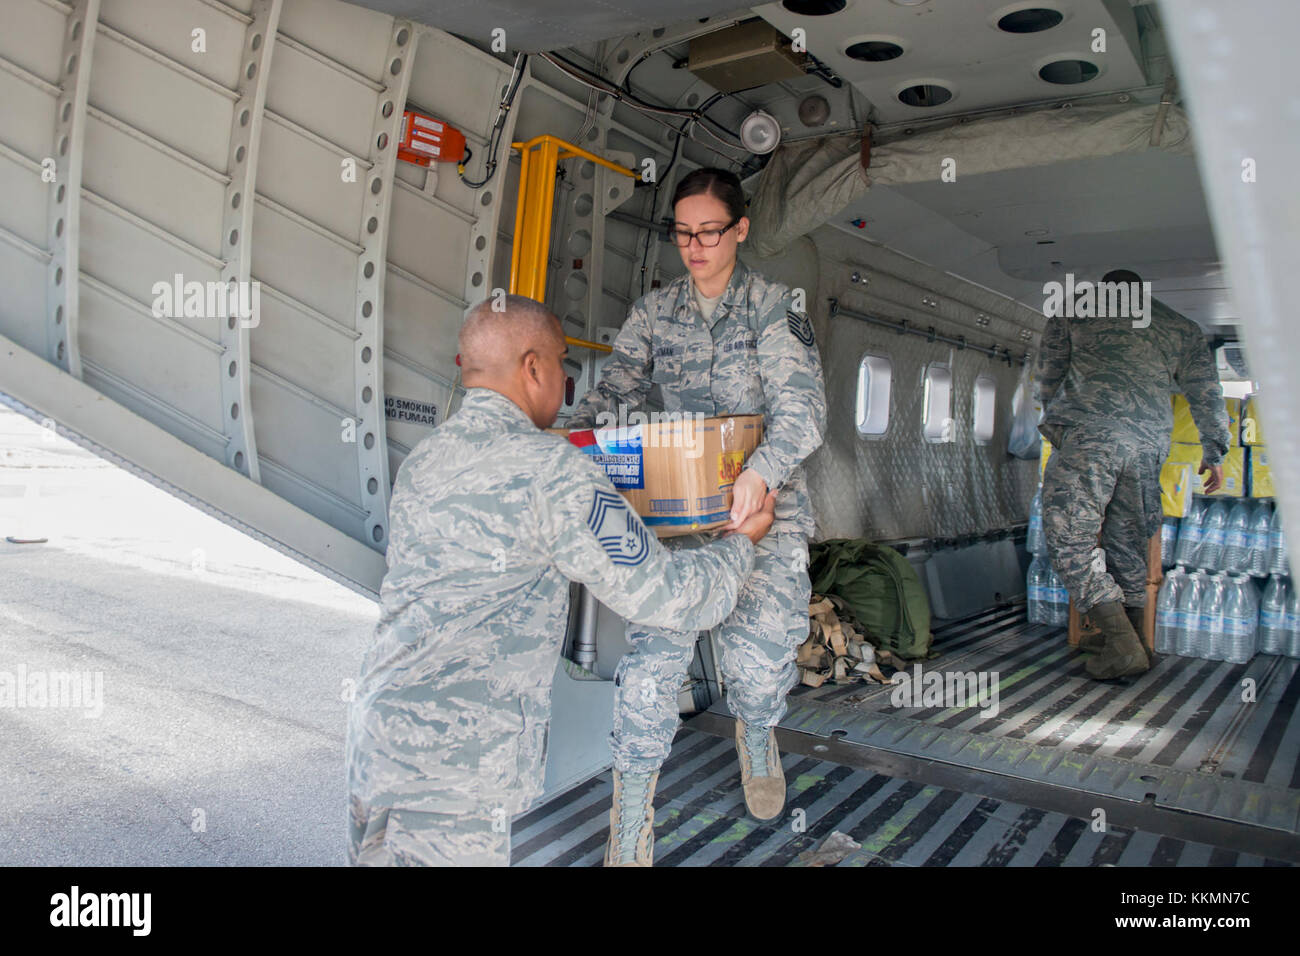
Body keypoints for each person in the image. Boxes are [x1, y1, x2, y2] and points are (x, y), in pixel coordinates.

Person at [344, 294, 775, 866]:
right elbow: (666, 596)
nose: (567, 382)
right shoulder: (552, 471)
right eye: (563, 363)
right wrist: (740, 544)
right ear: (532, 368)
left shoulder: (425, 461)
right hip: (455, 776)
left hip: (378, 744)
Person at [565, 167, 827, 865]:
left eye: (710, 231)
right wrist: (569, 438)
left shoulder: (774, 308)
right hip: (680, 513)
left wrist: (761, 474)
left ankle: (758, 731)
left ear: (739, 230)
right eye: (683, 233)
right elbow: (615, 389)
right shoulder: (656, 313)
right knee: (653, 663)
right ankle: (631, 811)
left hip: (764, 508)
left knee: (759, 660)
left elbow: (803, 412)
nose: (696, 246)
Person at [1036, 268, 1230, 680]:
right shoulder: (1180, 327)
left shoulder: (1072, 310)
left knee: (1068, 538)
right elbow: (1206, 391)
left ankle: (1122, 644)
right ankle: (1134, 641)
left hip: (1091, 435)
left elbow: (1050, 374)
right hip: (1149, 445)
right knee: (1128, 540)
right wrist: (1215, 451)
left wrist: (1058, 426)